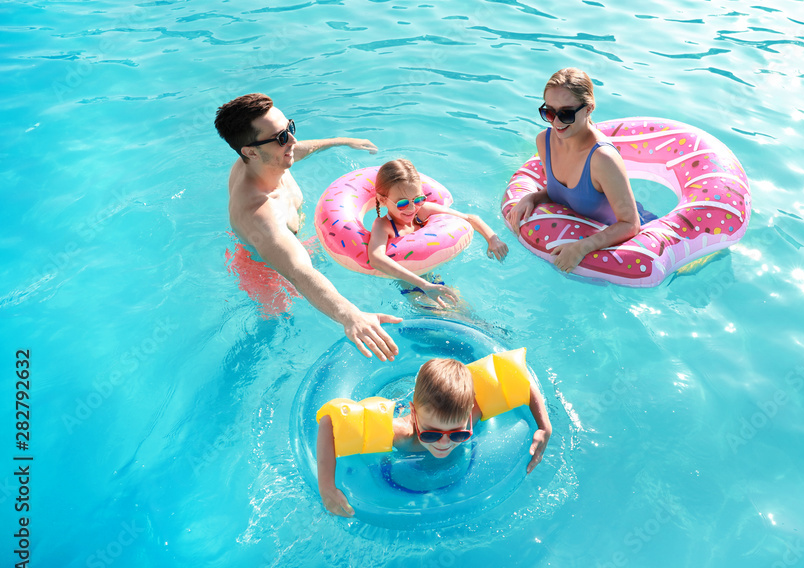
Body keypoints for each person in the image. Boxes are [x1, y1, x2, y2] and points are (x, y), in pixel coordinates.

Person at [216, 93, 401, 361]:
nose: (292, 140)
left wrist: (343, 141)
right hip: (265, 270)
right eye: (282, 137)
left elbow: (299, 149)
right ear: (251, 152)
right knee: (277, 326)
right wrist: (351, 315)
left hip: (294, 240)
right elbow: (298, 272)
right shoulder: (259, 214)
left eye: (290, 127)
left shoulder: (272, 159)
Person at [317, 356, 552, 517]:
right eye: (430, 433)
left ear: (468, 414)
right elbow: (330, 421)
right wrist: (326, 487)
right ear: (414, 413)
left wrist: (544, 426)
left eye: (459, 433)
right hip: (394, 411)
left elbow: (516, 377)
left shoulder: (474, 412)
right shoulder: (400, 434)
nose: (444, 443)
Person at [506, 68, 655, 273]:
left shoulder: (602, 158)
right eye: (549, 112)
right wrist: (533, 198)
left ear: (589, 108)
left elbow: (631, 224)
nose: (556, 122)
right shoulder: (545, 141)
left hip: (636, 242)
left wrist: (582, 247)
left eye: (565, 113)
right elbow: (562, 193)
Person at [367, 159, 508, 308]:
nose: (411, 208)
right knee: (447, 317)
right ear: (383, 200)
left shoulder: (423, 211)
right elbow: (376, 258)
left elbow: (470, 218)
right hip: (411, 288)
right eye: (402, 203)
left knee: (466, 312)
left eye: (417, 199)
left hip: (433, 278)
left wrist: (493, 239)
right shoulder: (383, 225)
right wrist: (424, 285)